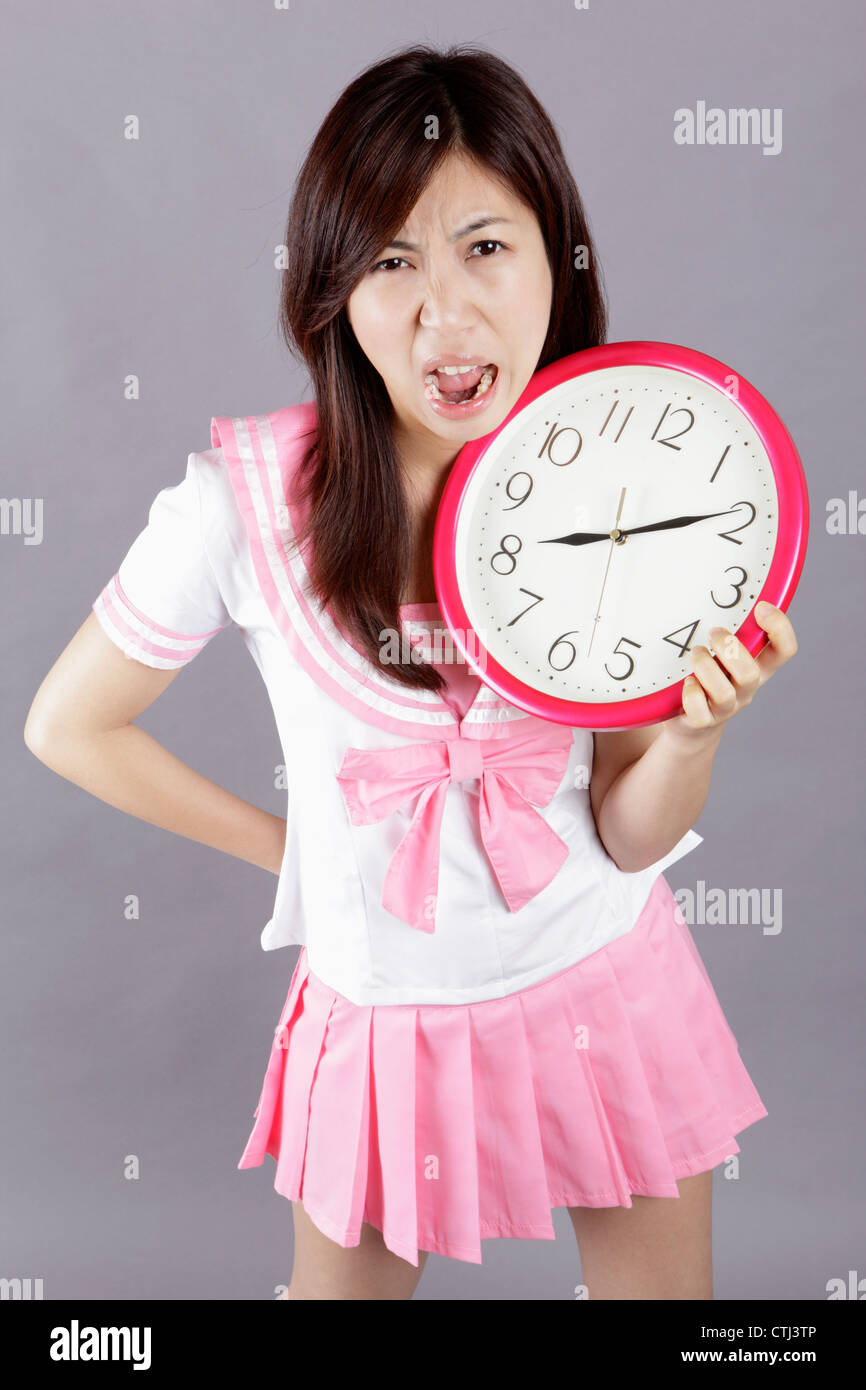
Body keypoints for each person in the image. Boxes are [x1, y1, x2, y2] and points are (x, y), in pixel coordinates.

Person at [23, 44, 798, 1301]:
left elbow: (625, 829)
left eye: (486, 247)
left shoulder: (615, 472)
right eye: (390, 260)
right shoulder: (247, 503)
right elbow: (68, 724)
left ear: (558, 257)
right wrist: (295, 856)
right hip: (384, 1022)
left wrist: (694, 734)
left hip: (608, 976)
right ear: (333, 288)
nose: (446, 310)